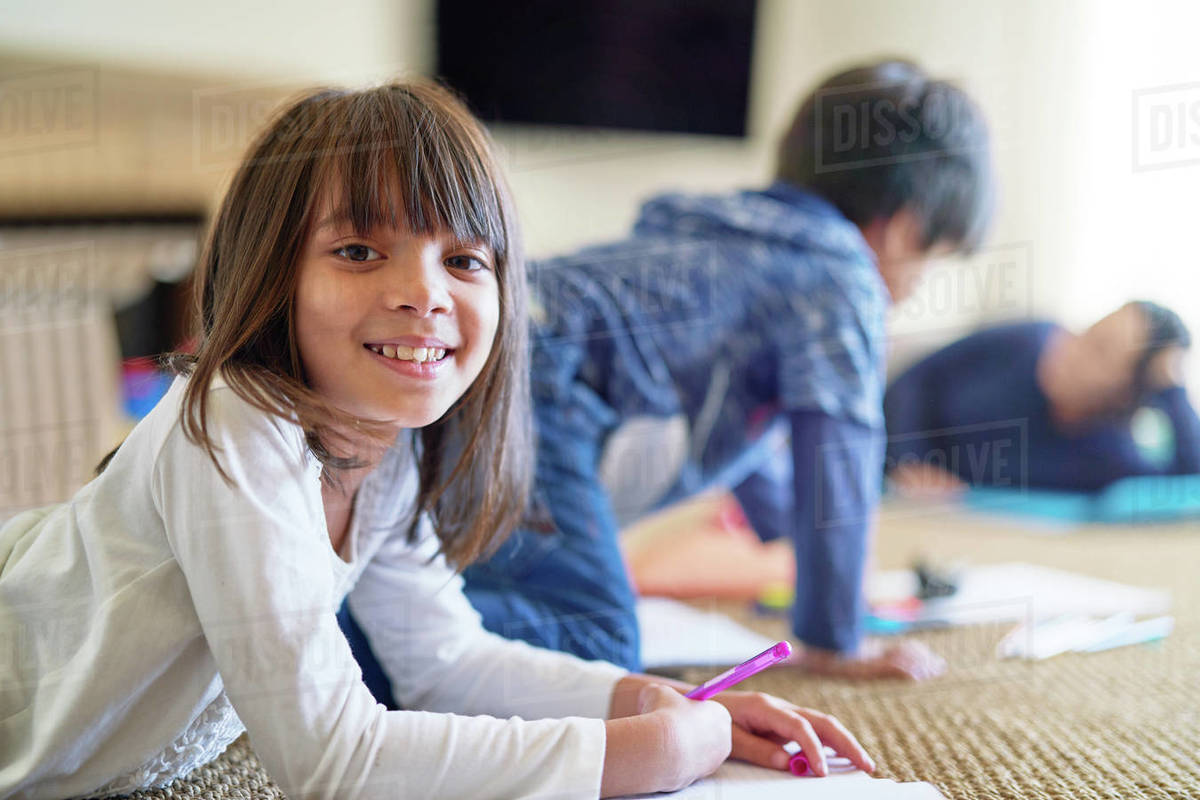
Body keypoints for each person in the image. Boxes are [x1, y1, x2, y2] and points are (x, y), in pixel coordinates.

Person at [0, 82, 875, 800]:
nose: (424, 293)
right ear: (272, 273)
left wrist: (649, 699)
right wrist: (644, 754)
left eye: (463, 260)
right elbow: (330, 763)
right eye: (357, 251)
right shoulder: (234, 423)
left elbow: (445, 659)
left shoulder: (387, 448)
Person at [347, 60, 991, 684]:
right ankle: (343, 641)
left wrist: (789, 538)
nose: (915, 285)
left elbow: (748, 437)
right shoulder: (841, 274)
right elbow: (838, 458)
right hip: (538, 385)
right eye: (931, 260)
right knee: (595, 641)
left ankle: (378, 608)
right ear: (903, 230)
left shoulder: (727, 235)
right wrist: (835, 636)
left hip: (472, 355)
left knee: (493, 584)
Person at [884, 301, 1199, 494]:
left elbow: (1189, 478)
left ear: (1126, 395)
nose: (1073, 348)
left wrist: (1172, 389)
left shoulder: (1109, 458)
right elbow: (913, 380)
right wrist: (910, 459)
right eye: (1088, 330)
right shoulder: (1027, 341)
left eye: (1099, 350)